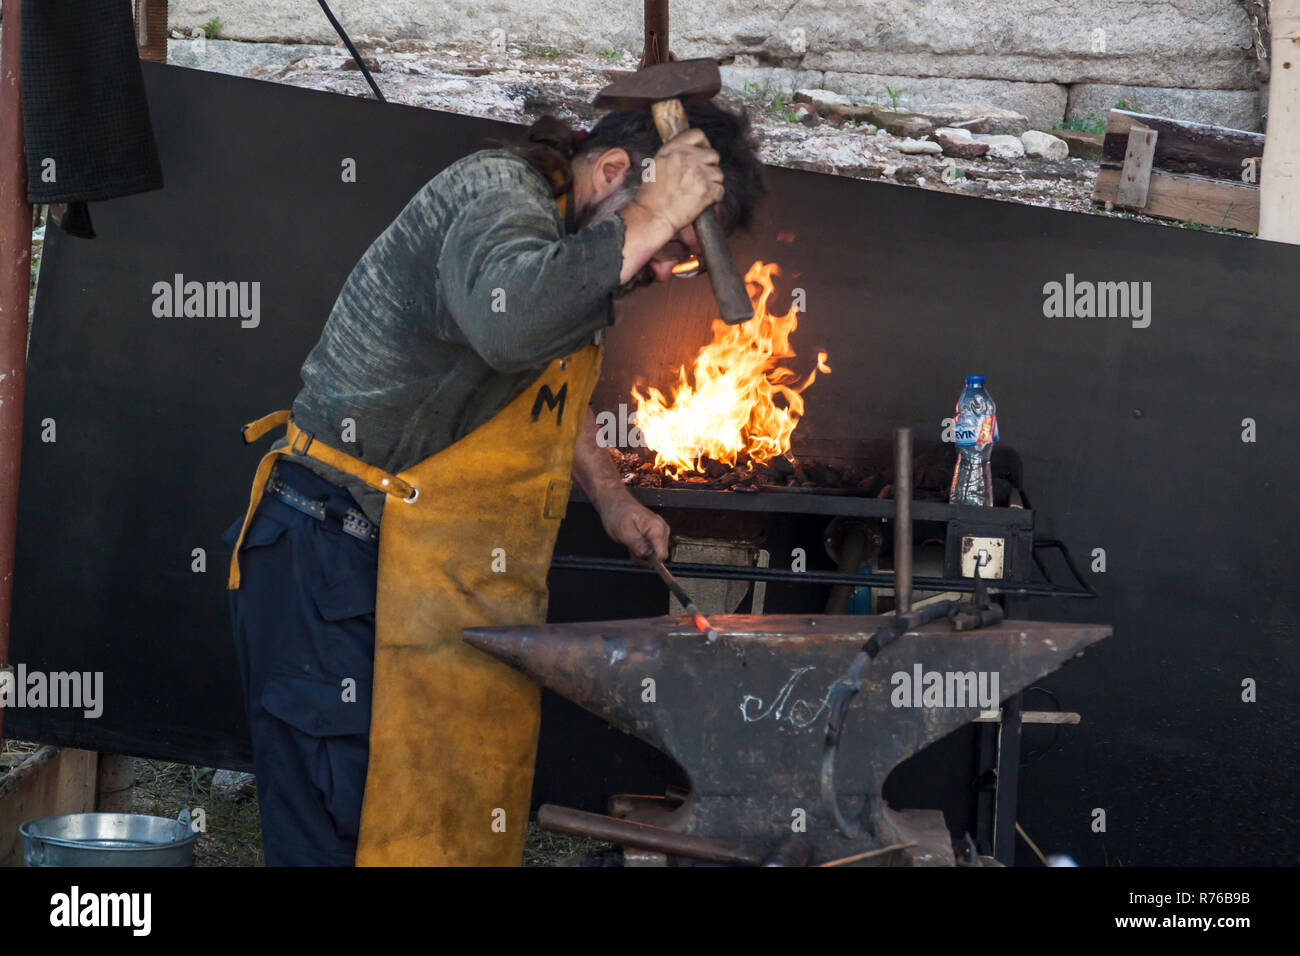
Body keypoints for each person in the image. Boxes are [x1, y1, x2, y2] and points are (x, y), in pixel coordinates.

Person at [223, 102, 765, 866]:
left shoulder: (568, 250)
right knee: (342, 829)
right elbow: (510, 325)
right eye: (674, 243)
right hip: (329, 553)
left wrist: (611, 496)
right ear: (613, 172)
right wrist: (646, 217)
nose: (669, 268)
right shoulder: (496, 196)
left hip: (424, 570)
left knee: (432, 822)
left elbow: (541, 382)